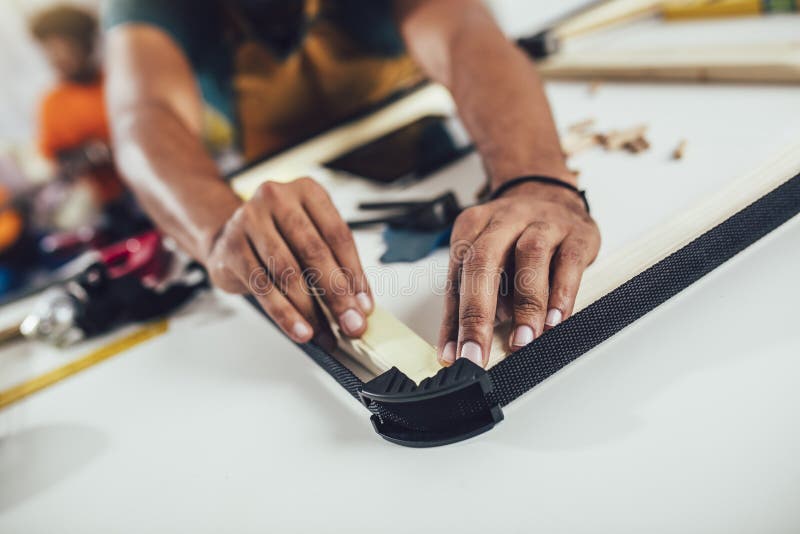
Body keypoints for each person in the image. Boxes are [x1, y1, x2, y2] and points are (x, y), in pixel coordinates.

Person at [104, 0, 601, 368]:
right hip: (287, 190)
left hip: (426, 144)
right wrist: (218, 230)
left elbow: (461, 32)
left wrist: (535, 180)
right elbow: (141, 118)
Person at [31, 5, 123, 205]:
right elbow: (59, 162)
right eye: (49, 49)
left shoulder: (121, 79)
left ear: (86, 43)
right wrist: (92, 153)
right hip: (111, 201)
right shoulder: (52, 104)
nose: (56, 56)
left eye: (64, 46)